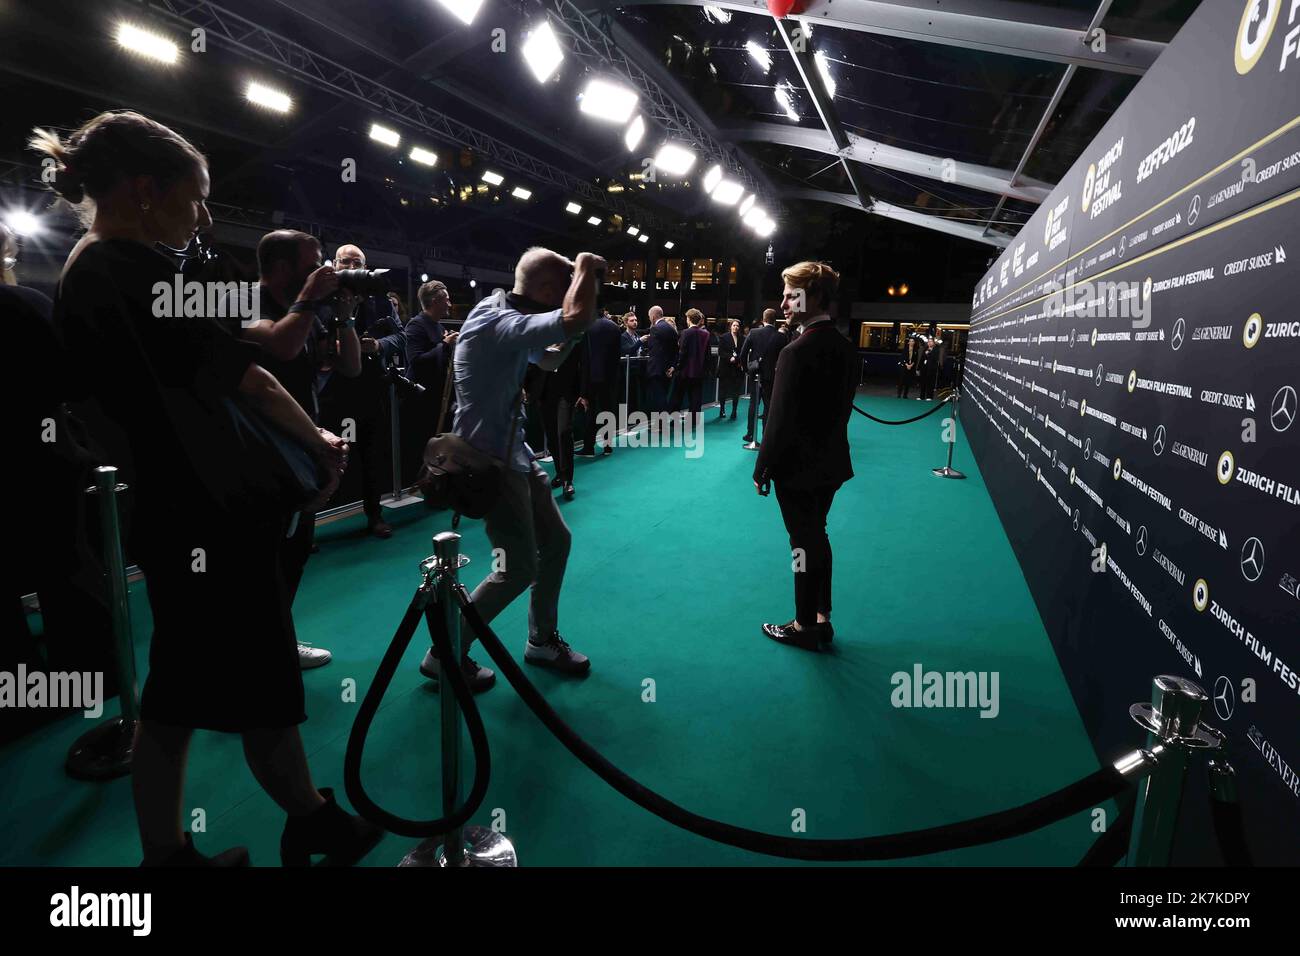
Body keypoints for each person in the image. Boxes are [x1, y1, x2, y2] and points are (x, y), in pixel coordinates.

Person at [35, 110, 377, 866]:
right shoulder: (131, 270)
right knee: (262, 680)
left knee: (177, 694)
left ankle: (173, 856)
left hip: (172, 511)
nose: (201, 217)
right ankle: (311, 821)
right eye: (194, 198)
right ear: (146, 190)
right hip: (211, 514)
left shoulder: (89, 270)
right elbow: (252, 377)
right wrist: (318, 442)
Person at [417, 247, 605, 693]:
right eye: (564, 289)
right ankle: (444, 653)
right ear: (547, 290)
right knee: (517, 567)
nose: (568, 296)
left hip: (514, 453)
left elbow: (548, 359)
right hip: (489, 461)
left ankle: (541, 640)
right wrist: (584, 269)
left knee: (556, 541)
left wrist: (573, 331)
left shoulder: (508, 312)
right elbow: (575, 317)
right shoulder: (497, 321)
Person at [237, 228, 362, 669]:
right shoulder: (240, 301)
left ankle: (275, 641)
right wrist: (309, 297)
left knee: (294, 552)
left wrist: (344, 317)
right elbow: (282, 347)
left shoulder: (310, 313)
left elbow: (350, 367)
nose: (322, 273)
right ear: (281, 267)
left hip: (303, 443)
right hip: (256, 453)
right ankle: (254, 652)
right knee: (262, 560)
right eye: (312, 266)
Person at [753, 261, 857, 651]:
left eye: (789, 295)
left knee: (802, 543)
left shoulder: (795, 351)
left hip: (797, 469)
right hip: (831, 464)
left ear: (812, 296)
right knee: (817, 537)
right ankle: (820, 616)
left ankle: (803, 624)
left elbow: (778, 420)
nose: (782, 303)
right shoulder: (846, 349)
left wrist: (762, 467)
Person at [316, 243, 405, 539]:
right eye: (346, 262)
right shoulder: (321, 295)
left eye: (357, 263)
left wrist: (379, 346)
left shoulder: (379, 298)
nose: (351, 268)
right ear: (334, 264)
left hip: (370, 387)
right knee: (323, 453)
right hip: (331, 388)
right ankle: (308, 522)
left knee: (372, 455)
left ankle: (374, 515)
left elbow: (401, 336)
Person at [404, 280, 458, 482]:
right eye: (447, 300)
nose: (450, 304)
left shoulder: (438, 326)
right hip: (422, 402)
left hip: (439, 399)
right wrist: (444, 345)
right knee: (424, 448)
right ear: (435, 301)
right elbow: (416, 362)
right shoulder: (416, 325)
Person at [578, 304, 622, 457]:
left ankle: (588, 447)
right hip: (611, 377)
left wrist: (582, 390)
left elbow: (585, 359)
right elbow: (617, 355)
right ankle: (608, 446)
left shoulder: (588, 327)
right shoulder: (615, 327)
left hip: (592, 377)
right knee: (608, 410)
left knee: (590, 412)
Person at [739, 308, 786, 442]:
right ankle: (766, 436)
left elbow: (743, 355)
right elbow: (784, 359)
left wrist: (747, 370)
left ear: (763, 319)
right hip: (772, 376)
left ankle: (750, 434)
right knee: (768, 406)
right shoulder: (781, 337)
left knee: (753, 404)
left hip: (755, 374)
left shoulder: (754, 333)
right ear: (775, 320)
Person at [675, 308, 711, 422]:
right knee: (696, 397)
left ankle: (674, 420)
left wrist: (677, 366)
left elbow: (682, 352)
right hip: (699, 371)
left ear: (689, 319)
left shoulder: (685, 332)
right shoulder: (706, 334)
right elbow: (708, 355)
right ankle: (694, 420)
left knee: (678, 396)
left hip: (685, 370)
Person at [642, 305, 678, 416]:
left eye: (649, 317)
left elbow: (653, 350)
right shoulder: (671, 329)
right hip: (668, 370)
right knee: (663, 395)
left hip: (656, 370)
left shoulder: (655, 329)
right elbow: (675, 351)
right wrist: (671, 366)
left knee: (658, 399)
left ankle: (663, 422)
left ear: (653, 316)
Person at [716, 318, 745, 420]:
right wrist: (729, 357)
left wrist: (736, 359)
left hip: (737, 369)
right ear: (730, 326)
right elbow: (720, 352)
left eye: (737, 326)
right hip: (725, 368)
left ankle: (734, 411)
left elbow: (743, 352)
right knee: (723, 391)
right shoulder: (724, 337)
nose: (735, 327)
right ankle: (722, 410)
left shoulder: (742, 338)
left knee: (736, 392)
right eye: (734, 325)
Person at [919, 335, 940, 401]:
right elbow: (922, 359)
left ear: (933, 343)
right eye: (928, 341)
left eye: (931, 341)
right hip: (924, 368)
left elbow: (935, 359)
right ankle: (921, 396)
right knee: (923, 382)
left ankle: (929, 397)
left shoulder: (936, 350)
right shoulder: (925, 349)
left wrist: (930, 352)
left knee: (930, 383)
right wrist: (918, 368)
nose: (929, 343)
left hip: (932, 369)